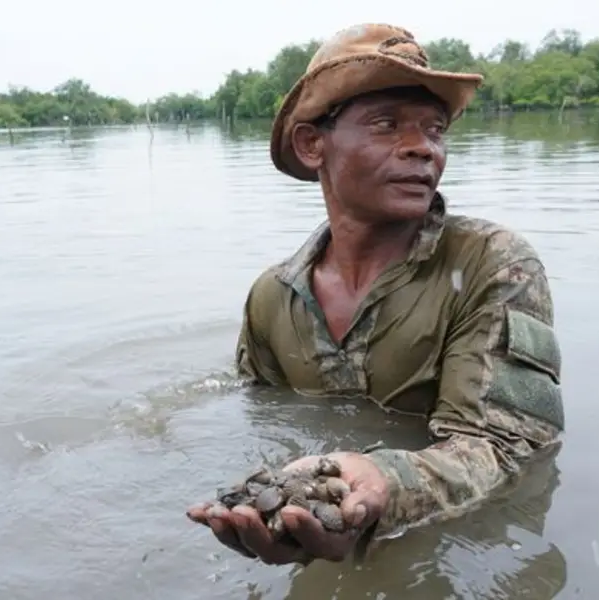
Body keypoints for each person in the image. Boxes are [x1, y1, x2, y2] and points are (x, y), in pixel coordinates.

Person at [187, 22, 565, 567]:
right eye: (387, 125)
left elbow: (513, 449)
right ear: (312, 144)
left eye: (435, 129)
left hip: (456, 555)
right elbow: (259, 413)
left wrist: (386, 485)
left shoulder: (492, 263)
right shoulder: (272, 298)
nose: (422, 149)